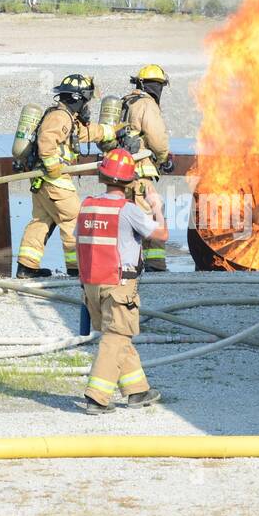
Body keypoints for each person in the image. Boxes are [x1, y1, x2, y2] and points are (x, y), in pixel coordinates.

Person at [75, 147, 168, 414]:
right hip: (119, 285)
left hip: (91, 286)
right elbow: (161, 233)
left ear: (103, 177)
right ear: (129, 182)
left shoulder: (88, 205)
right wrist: (156, 207)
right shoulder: (127, 210)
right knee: (116, 337)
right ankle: (97, 397)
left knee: (119, 336)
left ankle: (137, 391)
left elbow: (76, 240)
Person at [15, 74, 120, 279]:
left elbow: (85, 133)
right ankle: (77, 268)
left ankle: (26, 267)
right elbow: (47, 141)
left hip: (43, 180)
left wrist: (112, 131)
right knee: (74, 219)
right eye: (85, 100)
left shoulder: (66, 117)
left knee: (41, 221)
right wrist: (54, 167)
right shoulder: (60, 117)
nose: (86, 106)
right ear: (76, 98)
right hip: (55, 180)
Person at [119, 64, 174, 272]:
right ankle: (155, 265)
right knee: (152, 215)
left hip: (120, 173)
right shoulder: (147, 104)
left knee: (126, 219)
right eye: (158, 85)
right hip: (140, 172)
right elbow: (157, 138)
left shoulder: (125, 102)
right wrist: (163, 158)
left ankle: (128, 264)